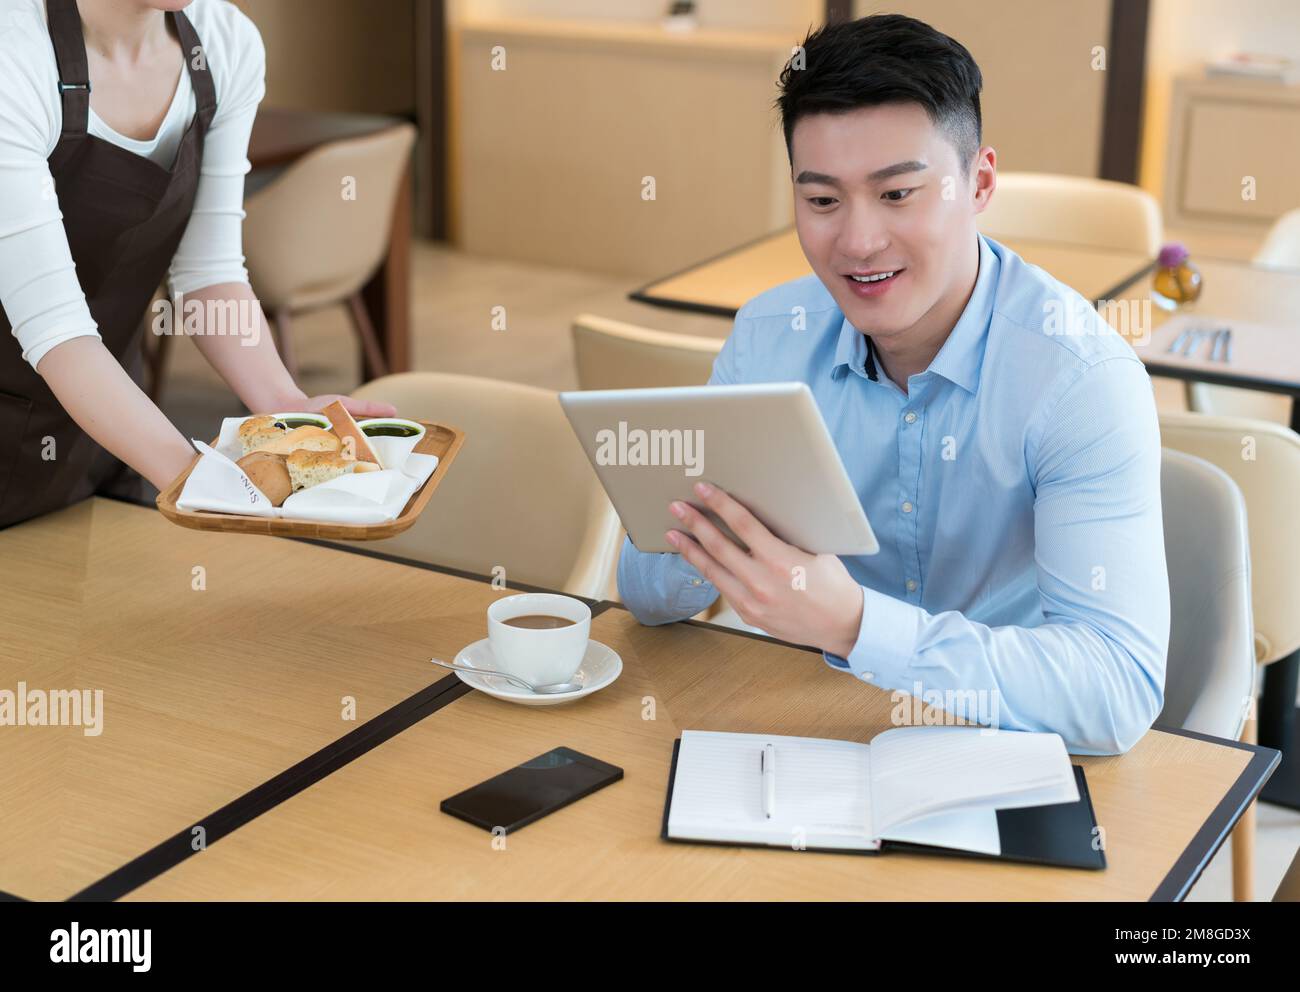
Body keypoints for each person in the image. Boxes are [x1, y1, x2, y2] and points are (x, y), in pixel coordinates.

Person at [617, 14, 1170, 755]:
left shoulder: (1080, 381)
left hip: (1003, 744)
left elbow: (1113, 690)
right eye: (822, 201)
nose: (858, 241)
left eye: (898, 194)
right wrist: (701, 533)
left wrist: (852, 624)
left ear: (978, 184)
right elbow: (646, 600)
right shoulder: (768, 335)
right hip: (806, 733)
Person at [0, 0, 395, 527]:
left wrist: (287, 408)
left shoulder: (223, 43)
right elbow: (56, 328)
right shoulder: (15, 56)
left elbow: (209, 274)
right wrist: (202, 481)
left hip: (111, 421)